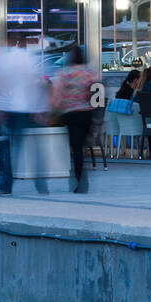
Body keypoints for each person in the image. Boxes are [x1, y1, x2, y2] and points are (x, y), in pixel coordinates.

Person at [0, 38, 49, 197]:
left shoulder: (5, 57)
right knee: (32, 148)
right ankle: (41, 184)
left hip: (12, 109)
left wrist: (1, 110)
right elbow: (33, 83)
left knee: (7, 150)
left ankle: (5, 186)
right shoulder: (29, 58)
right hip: (27, 108)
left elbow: (4, 85)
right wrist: (37, 109)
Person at [49, 46, 96, 193]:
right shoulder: (90, 74)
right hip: (87, 113)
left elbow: (57, 98)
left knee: (76, 149)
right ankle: (81, 175)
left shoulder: (63, 74)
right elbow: (96, 94)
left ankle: (79, 179)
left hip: (71, 113)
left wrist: (52, 113)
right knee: (81, 146)